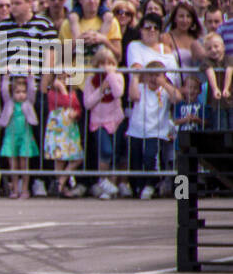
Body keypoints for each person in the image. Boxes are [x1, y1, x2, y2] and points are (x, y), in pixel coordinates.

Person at [126, 61, 178, 198]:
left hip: (156, 132)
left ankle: (151, 184)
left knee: (150, 158)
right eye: (150, 75)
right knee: (135, 161)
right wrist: (136, 77)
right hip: (136, 131)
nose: (154, 78)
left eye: (157, 75)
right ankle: (136, 187)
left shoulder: (165, 91)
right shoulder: (141, 87)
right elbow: (133, 96)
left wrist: (165, 83)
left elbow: (177, 98)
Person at [83, 47, 126, 199]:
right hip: (99, 122)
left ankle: (110, 188)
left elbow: (118, 93)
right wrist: (101, 89)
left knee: (114, 154)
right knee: (105, 151)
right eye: (102, 63)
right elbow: (88, 103)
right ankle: (103, 181)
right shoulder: (90, 80)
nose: (106, 66)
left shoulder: (119, 77)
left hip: (115, 120)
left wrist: (111, 77)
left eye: (110, 63)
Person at [43, 67, 84, 196]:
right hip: (58, 131)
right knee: (59, 159)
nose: (63, 81)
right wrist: (62, 89)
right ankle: (60, 187)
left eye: (65, 78)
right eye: (60, 78)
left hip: (70, 131)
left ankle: (60, 182)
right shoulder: (52, 94)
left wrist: (76, 114)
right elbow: (67, 103)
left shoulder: (73, 93)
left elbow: (77, 108)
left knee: (77, 158)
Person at [0, 74, 39, 198]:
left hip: (25, 136)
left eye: (23, 92)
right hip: (11, 136)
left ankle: (25, 189)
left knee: (24, 164)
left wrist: (31, 78)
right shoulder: (9, 103)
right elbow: (4, 91)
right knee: (13, 165)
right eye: (17, 92)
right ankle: (15, 189)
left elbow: (32, 91)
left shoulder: (28, 103)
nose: (21, 94)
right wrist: (5, 78)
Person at [201, 31, 231, 130]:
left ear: (223, 47)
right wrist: (215, 89)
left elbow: (229, 70)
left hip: (230, 99)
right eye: (209, 48)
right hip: (217, 103)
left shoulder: (229, 58)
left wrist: (226, 88)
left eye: (216, 46)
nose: (213, 50)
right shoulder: (207, 61)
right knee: (220, 128)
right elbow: (210, 72)